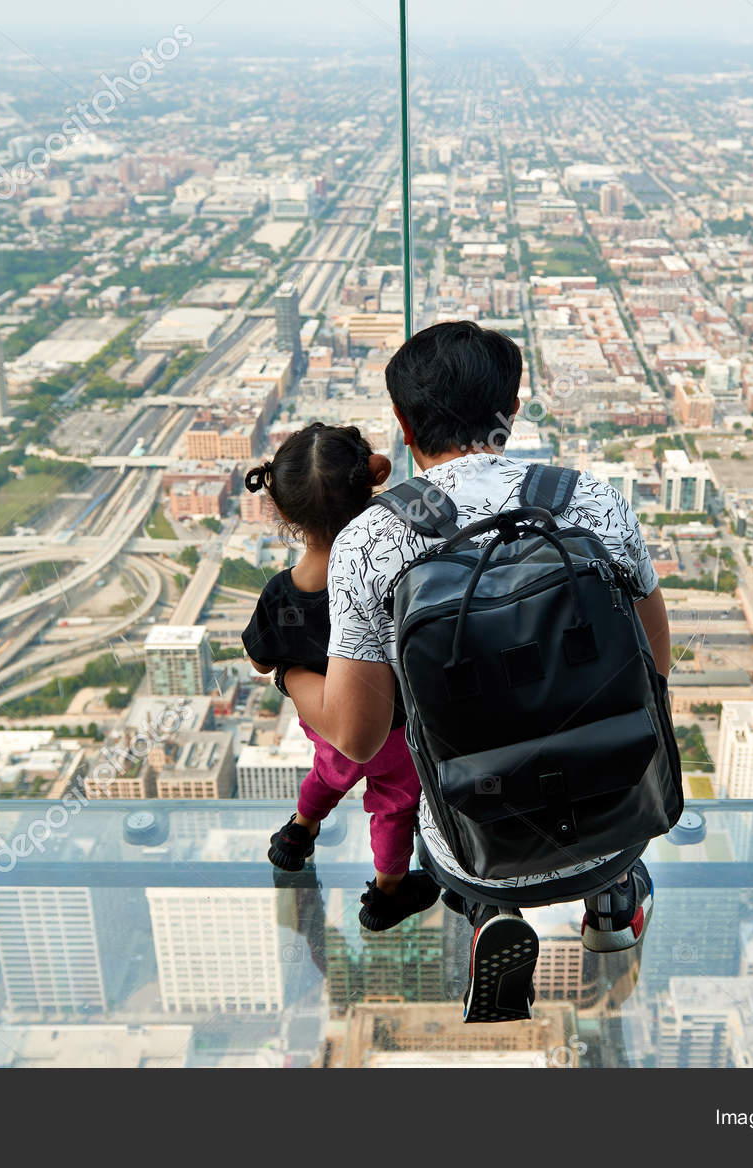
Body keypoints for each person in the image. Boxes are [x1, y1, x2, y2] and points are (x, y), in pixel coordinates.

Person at [282, 320, 675, 1022]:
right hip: (617, 809)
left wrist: (290, 680)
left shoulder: (372, 541)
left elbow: (360, 739)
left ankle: (485, 909)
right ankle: (613, 892)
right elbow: (656, 667)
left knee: (452, 812)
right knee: (606, 780)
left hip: (476, 842)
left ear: (403, 426)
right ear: (512, 410)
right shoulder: (592, 501)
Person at [241, 422, 440, 932]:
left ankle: (298, 833)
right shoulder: (398, 573)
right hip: (395, 731)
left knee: (328, 773)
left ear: (283, 511)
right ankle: (386, 894)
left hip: (326, 721)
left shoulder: (281, 596)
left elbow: (263, 662)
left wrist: (294, 672)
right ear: (373, 479)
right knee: (394, 808)